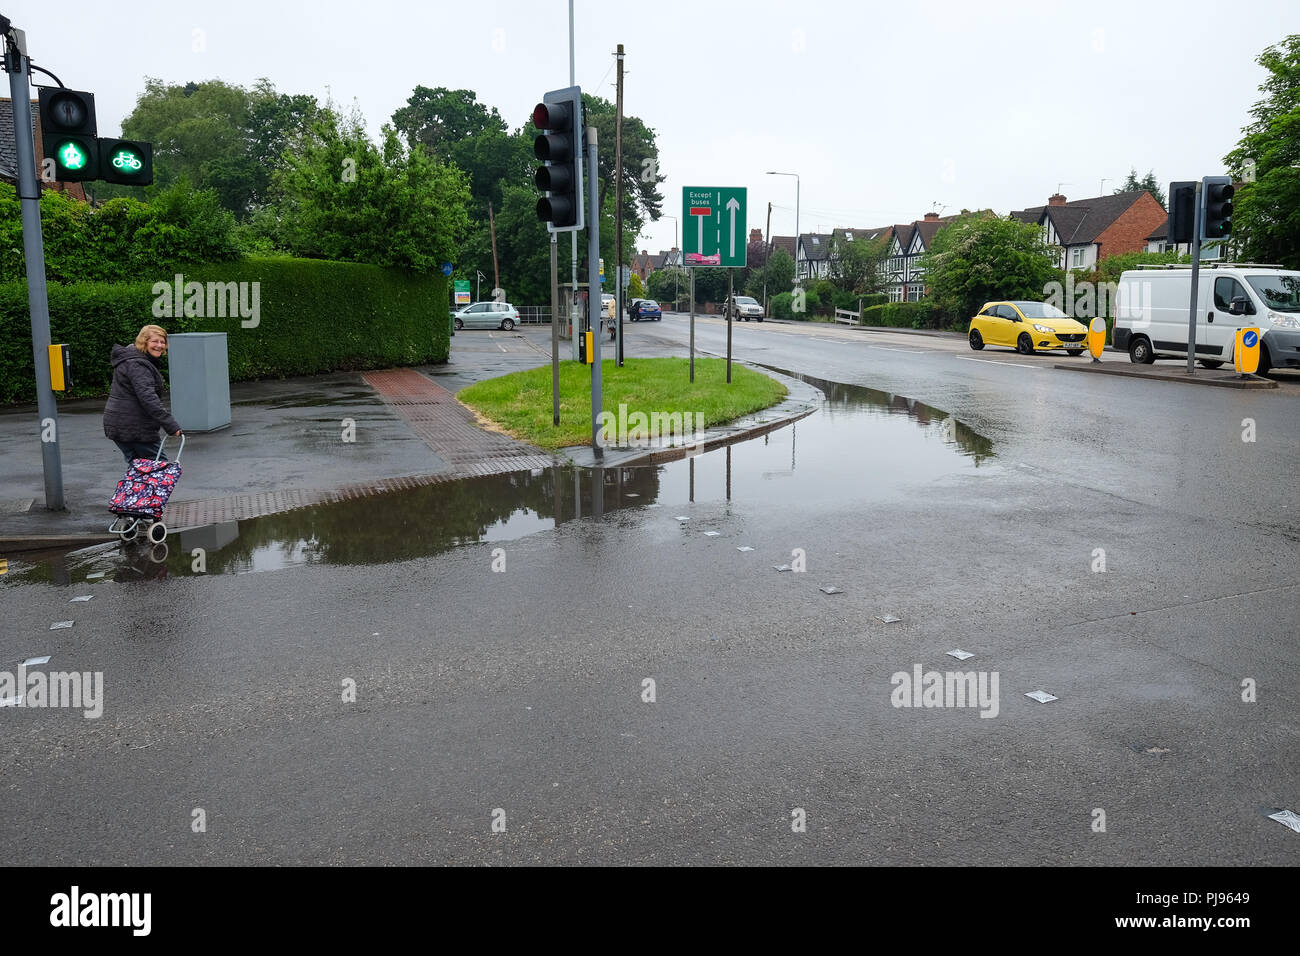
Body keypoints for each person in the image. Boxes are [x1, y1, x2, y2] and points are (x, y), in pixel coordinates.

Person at [103, 324, 182, 466]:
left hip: (120, 424)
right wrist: (170, 425)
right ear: (143, 342)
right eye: (154, 341)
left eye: (162, 342)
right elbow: (148, 398)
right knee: (158, 469)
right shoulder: (138, 364)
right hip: (134, 427)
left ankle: (135, 489)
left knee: (137, 470)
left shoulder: (133, 359)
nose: (159, 345)